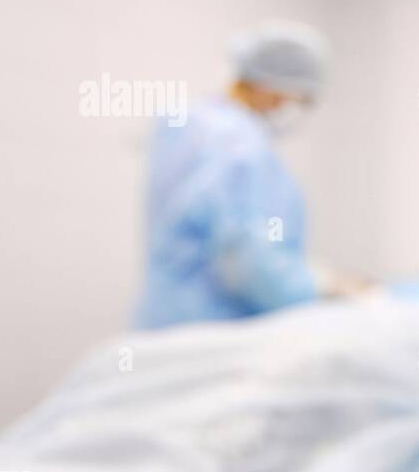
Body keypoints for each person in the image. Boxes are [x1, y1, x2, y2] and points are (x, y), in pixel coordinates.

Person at [136, 21, 362, 329]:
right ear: (273, 88)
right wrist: (320, 286)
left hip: (162, 321)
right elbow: (246, 260)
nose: (294, 110)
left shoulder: (187, 124)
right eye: (301, 99)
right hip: (211, 333)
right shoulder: (240, 147)